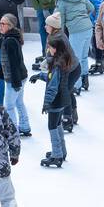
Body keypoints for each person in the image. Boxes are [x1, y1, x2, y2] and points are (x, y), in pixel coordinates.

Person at [38, 36, 78, 169]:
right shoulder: (62, 60)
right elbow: (53, 79)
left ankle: (57, 156)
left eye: (49, 47)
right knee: (58, 124)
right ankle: (61, 151)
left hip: (56, 101)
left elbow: (53, 86)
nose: (48, 49)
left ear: (55, 49)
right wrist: (39, 76)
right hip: (63, 99)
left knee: (52, 127)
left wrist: (47, 103)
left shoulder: (56, 64)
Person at [0, 13, 31, 133]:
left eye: (3, 24)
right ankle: (25, 126)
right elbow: (6, 60)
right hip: (20, 76)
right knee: (19, 102)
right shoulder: (10, 37)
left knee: (9, 105)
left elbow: (14, 62)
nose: (0, 25)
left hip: (15, 78)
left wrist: (15, 82)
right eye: (0, 23)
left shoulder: (10, 41)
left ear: (10, 26)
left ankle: (12, 131)